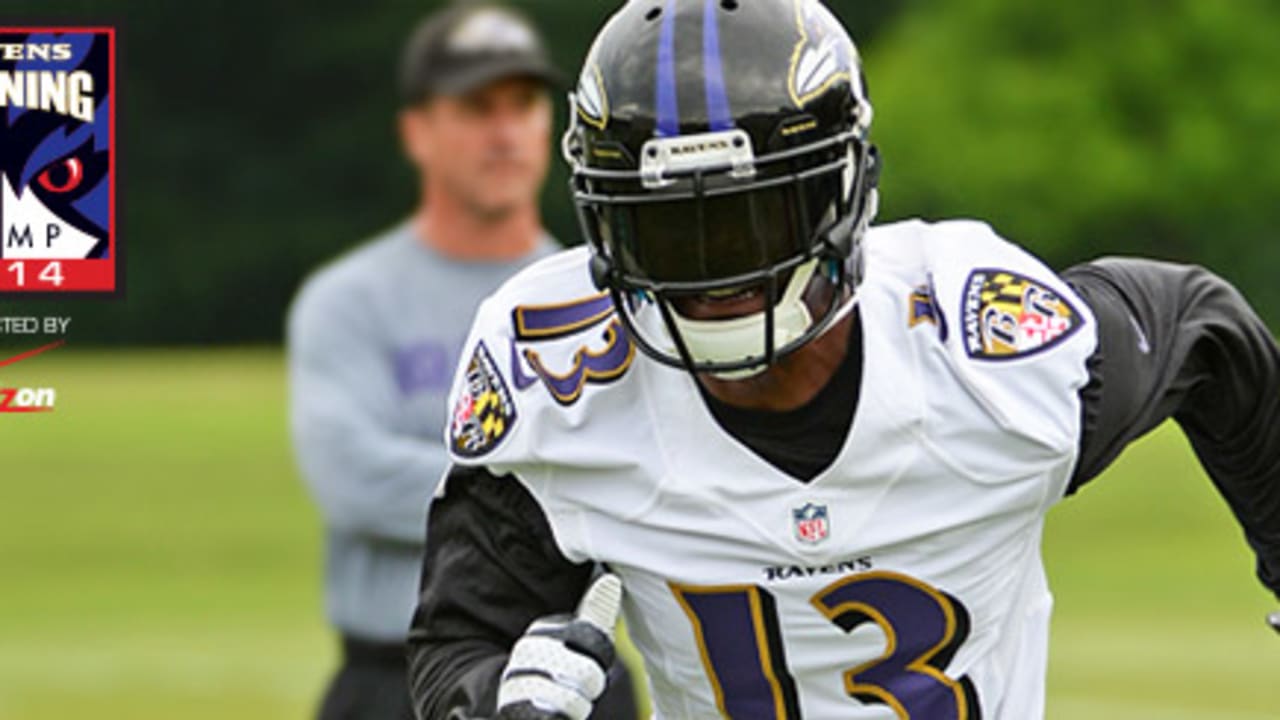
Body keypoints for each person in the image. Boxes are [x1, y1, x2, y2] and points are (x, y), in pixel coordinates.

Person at [407, 1, 1280, 718]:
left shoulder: (980, 356)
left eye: (756, 220)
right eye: (671, 231)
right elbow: (460, 641)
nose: (718, 278)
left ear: (845, 193)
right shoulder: (559, 380)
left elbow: (1202, 329)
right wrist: (494, 702)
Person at [288, 5, 637, 719]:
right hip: (391, 683)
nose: (505, 132)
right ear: (417, 131)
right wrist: (554, 487)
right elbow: (354, 477)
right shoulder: (349, 299)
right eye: (478, 108)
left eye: (524, 105)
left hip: (574, 676)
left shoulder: (606, 297)